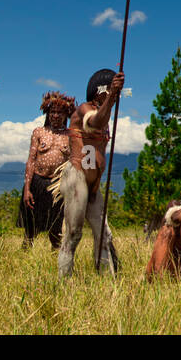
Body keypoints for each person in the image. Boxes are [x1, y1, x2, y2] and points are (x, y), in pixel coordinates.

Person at [52, 68, 124, 277]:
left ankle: (105, 279)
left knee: (104, 235)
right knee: (73, 234)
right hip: (77, 177)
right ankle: (64, 282)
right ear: (99, 91)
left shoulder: (105, 113)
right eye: (111, 91)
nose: (116, 96)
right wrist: (111, 97)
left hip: (93, 183)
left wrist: (110, 98)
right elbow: (96, 122)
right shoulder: (85, 109)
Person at [20, 91, 72, 250]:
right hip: (37, 181)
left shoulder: (71, 136)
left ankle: (55, 258)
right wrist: (27, 188)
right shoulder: (39, 132)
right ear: (48, 113)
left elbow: (75, 163)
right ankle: (25, 255)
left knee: (56, 228)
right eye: (52, 112)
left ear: (66, 115)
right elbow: (31, 160)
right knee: (30, 227)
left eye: (60, 112)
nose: (56, 116)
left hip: (58, 185)